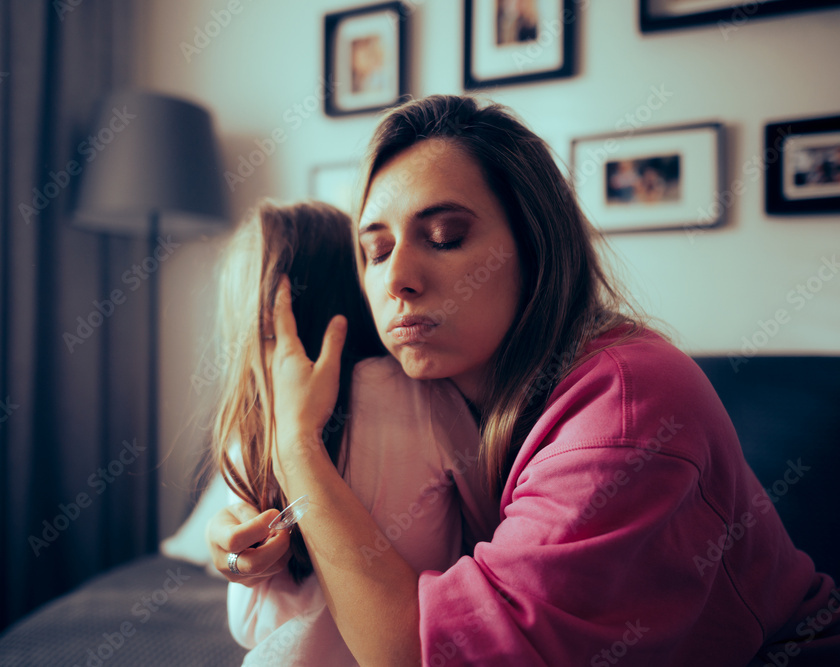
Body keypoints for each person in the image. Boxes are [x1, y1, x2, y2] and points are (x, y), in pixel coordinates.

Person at [208, 95, 840, 665]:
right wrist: (237, 551)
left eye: (446, 236)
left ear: (536, 248)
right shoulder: (442, 389)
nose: (397, 277)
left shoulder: (622, 415)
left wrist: (298, 445)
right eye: (374, 250)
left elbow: (419, 654)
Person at [206, 199, 499, 666]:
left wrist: (237, 562)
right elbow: (491, 541)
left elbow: (249, 627)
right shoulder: (430, 396)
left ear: (262, 320)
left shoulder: (255, 427)